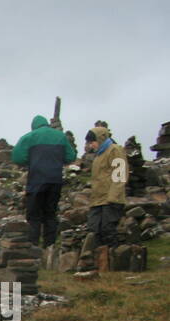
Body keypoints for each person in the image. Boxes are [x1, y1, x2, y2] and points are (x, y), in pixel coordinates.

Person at [11, 115, 76, 252]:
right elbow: (71, 156)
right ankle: (49, 248)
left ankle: (33, 247)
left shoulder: (29, 137)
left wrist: (31, 160)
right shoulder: (60, 136)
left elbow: (17, 157)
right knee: (50, 214)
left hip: (36, 182)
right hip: (55, 181)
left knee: (34, 215)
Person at [84, 124, 127, 272]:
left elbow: (120, 175)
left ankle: (115, 264)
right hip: (97, 201)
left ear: (100, 139)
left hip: (110, 200)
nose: (91, 145)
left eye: (92, 142)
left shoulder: (115, 150)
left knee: (108, 230)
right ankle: (100, 264)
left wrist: (113, 198)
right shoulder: (99, 155)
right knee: (94, 230)